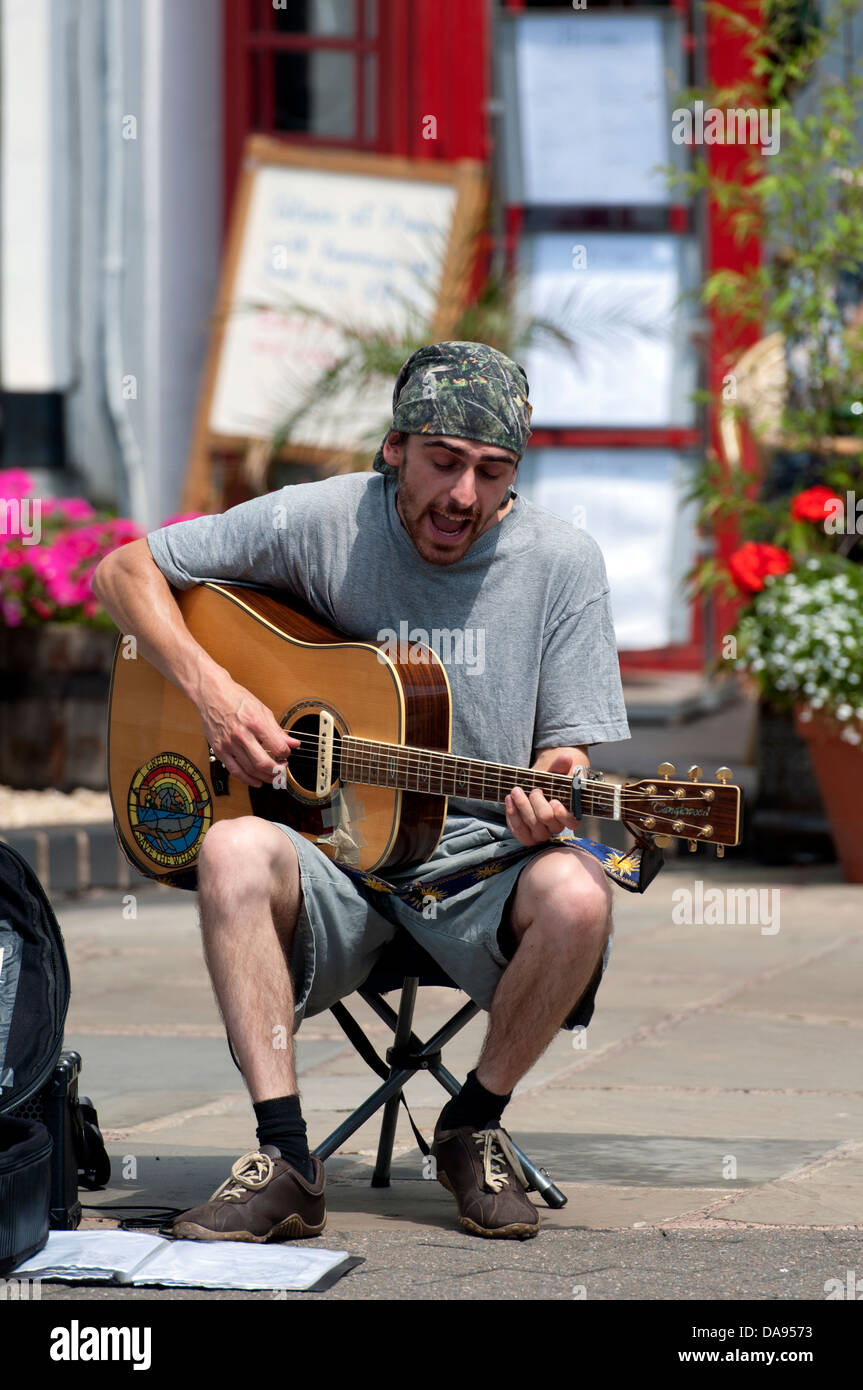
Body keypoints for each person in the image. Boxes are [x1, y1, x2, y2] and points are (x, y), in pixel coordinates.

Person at [92, 340, 631, 1242]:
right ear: (394, 448)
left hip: (478, 863)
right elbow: (122, 571)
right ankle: (285, 1160)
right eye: (442, 462)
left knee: (580, 895)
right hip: (328, 863)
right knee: (228, 848)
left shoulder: (562, 562)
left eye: (491, 472)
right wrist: (215, 692)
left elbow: (565, 751)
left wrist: (557, 788)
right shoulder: (321, 520)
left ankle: (471, 1124)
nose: (462, 495)